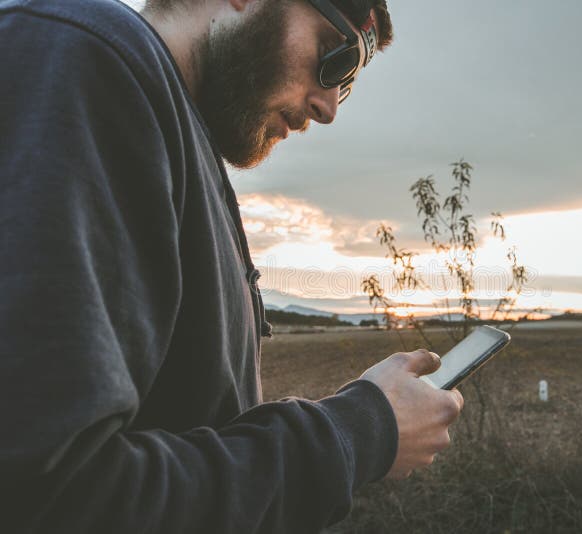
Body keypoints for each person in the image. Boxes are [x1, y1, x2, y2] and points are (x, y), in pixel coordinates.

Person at [0, 0, 464, 532]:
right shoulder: (82, 57)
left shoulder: (169, 127)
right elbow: (46, 495)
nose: (329, 107)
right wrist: (358, 432)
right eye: (337, 58)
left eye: (349, 82)